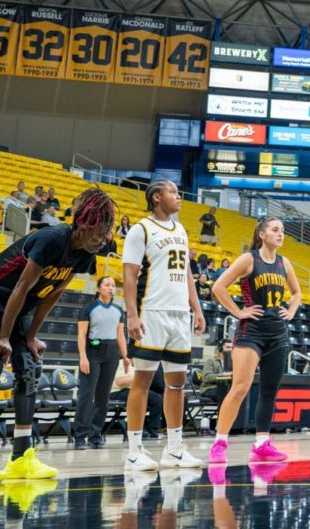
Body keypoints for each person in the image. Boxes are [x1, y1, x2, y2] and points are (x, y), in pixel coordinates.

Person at [0, 186, 116, 484]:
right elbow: (21, 287)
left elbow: (54, 293)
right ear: (83, 222)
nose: (104, 239)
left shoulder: (85, 255)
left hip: (19, 307)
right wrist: (2, 337)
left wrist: (30, 337)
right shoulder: (52, 239)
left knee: (29, 368)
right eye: (100, 231)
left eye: (107, 233)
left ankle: (22, 457)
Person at [122, 179, 207, 471]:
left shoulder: (181, 229)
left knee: (177, 384)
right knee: (142, 381)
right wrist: (132, 315)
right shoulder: (140, 229)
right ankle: (134, 451)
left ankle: (174, 449)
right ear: (157, 197)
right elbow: (130, 276)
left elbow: (186, 275)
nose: (178, 197)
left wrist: (196, 309)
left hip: (179, 315)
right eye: (173, 192)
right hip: (151, 312)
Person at [209, 215, 301, 463]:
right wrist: (238, 312)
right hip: (252, 333)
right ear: (262, 234)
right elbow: (218, 287)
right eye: (274, 229)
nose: (280, 233)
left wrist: (291, 311)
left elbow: (297, 292)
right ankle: (219, 442)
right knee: (240, 387)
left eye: (282, 230)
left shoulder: (285, 263)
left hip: (278, 333)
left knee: (270, 391)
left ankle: (262, 443)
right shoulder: (249, 258)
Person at [73, 276, 129, 448]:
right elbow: (81, 335)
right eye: (107, 285)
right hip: (93, 352)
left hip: (111, 352)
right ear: (98, 288)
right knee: (86, 394)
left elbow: (120, 336)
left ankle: (95, 434)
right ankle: (80, 436)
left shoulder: (119, 310)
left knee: (103, 397)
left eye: (113, 286)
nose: (110, 288)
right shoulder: (89, 308)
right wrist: (83, 356)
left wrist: (125, 357)